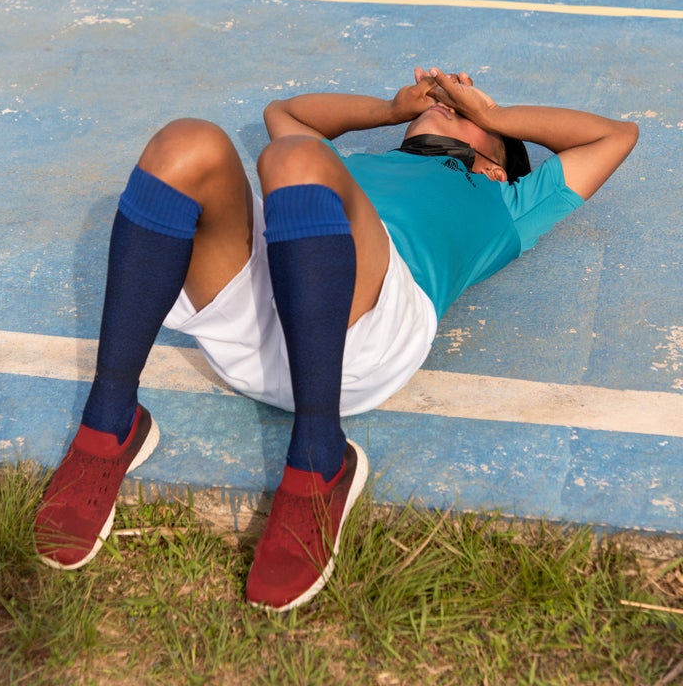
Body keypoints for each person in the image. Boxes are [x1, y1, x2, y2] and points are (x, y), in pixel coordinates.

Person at [34, 66, 638, 611]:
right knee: (186, 141)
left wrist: (493, 115)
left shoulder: (509, 201)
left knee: (293, 160)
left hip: (364, 343)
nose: (452, 105)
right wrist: (390, 109)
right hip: (254, 335)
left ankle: (320, 462)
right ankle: (108, 425)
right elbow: (284, 112)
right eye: (450, 104)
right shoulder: (350, 168)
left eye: (468, 117)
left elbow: (617, 136)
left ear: (495, 162)